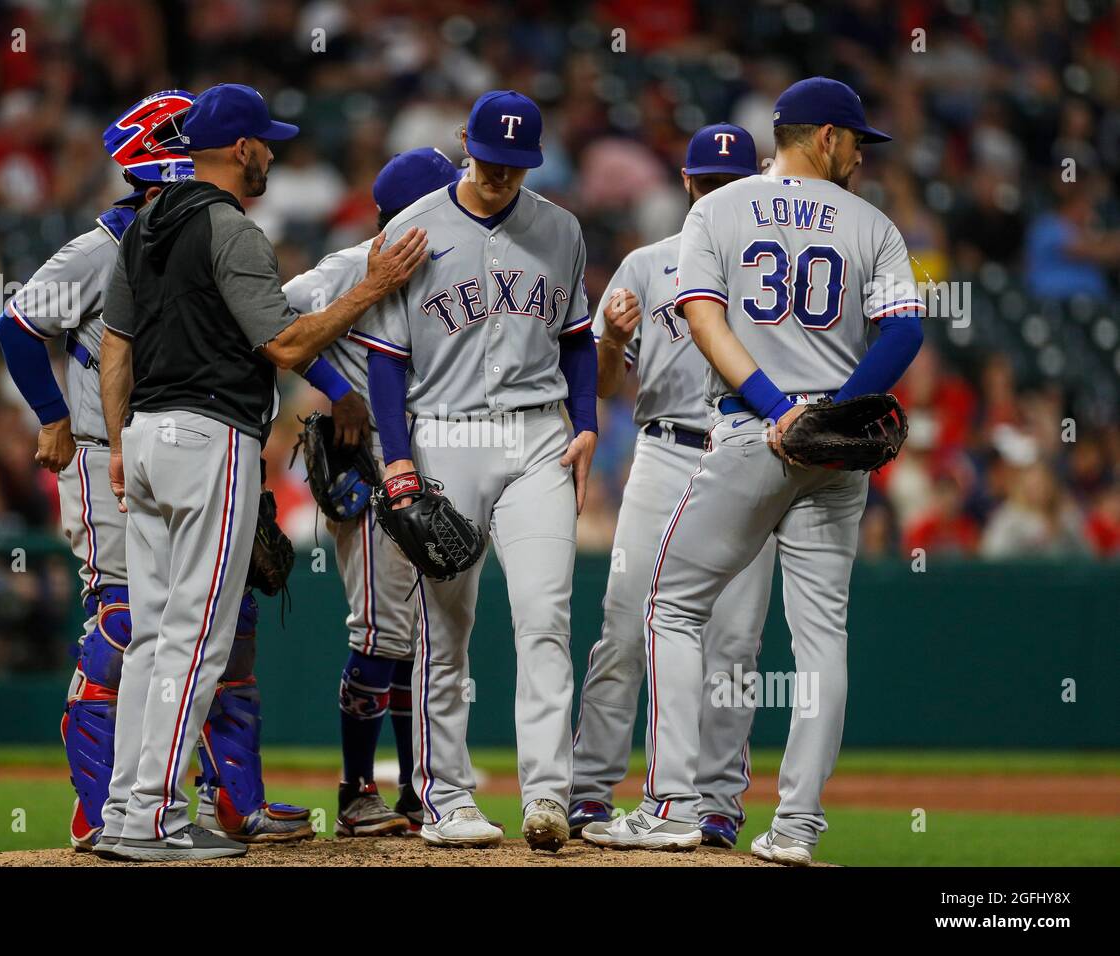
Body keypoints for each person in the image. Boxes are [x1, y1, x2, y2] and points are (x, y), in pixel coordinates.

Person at [582, 77, 924, 864]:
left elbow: (702, 317)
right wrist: (838, 411)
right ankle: (797, 828)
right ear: (829, 139)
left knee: (669, 606)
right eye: (858, 145)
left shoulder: (718, 211)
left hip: (755, 433)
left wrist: (781, 411)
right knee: (821, 639)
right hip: (835, 447)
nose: (862, 161)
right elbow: (904, 333)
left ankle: (671, 804)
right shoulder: (875, 225)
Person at [97, 83, 427, 862]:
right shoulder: (230, 229)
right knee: (196, 638)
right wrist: (374, 289)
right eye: (266, 142)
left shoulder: (143, 226)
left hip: (144, 437)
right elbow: (282, 347)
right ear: (241, 148)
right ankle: (152, 820)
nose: (273, 153)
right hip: (207, 438)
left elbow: (116, 345)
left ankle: (123, 808)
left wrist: (118, 445)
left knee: (151, 637)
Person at [0, 90, 312, 851]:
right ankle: (113, 810)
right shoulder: (110, 242)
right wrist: (52, 417)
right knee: (133, 628)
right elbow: (16, 321)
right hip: (114, 455)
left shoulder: (174, 232)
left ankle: (227, 802)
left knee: (211, 629)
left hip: (158, 446)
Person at [352, 90, 597, 851]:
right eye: (491, 161)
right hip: (444, 437)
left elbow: (579, 339)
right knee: (442, 630)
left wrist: (587, 424)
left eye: (515, 166)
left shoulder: (561, 229)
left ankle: (548, 796)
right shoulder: (413, 227)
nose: (501, 176)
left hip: (535, 441)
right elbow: (385, 362)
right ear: (466, 143)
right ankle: (446, 796)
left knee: (546, 618)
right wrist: (397, 460)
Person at [569, 124, 776, 850]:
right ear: (688, 184)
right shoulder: (647, 266)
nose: (716, 193)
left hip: (748, 458)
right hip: (664, 453)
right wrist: (614, 343)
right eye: (707, 182)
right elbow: (595, 389)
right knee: (624, 628)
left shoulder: (772, 273)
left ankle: (717, 803)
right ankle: (589, 791)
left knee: (734, 645)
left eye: (730, 183)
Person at [283, 147, 461, 837]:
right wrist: (338, 389)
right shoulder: (354, 265)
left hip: (440, 467)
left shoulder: (449, 267)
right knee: (381, 634)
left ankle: (418, 792)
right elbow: (271, 322)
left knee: (418, 642)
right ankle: (357, 792)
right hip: (377, 472)